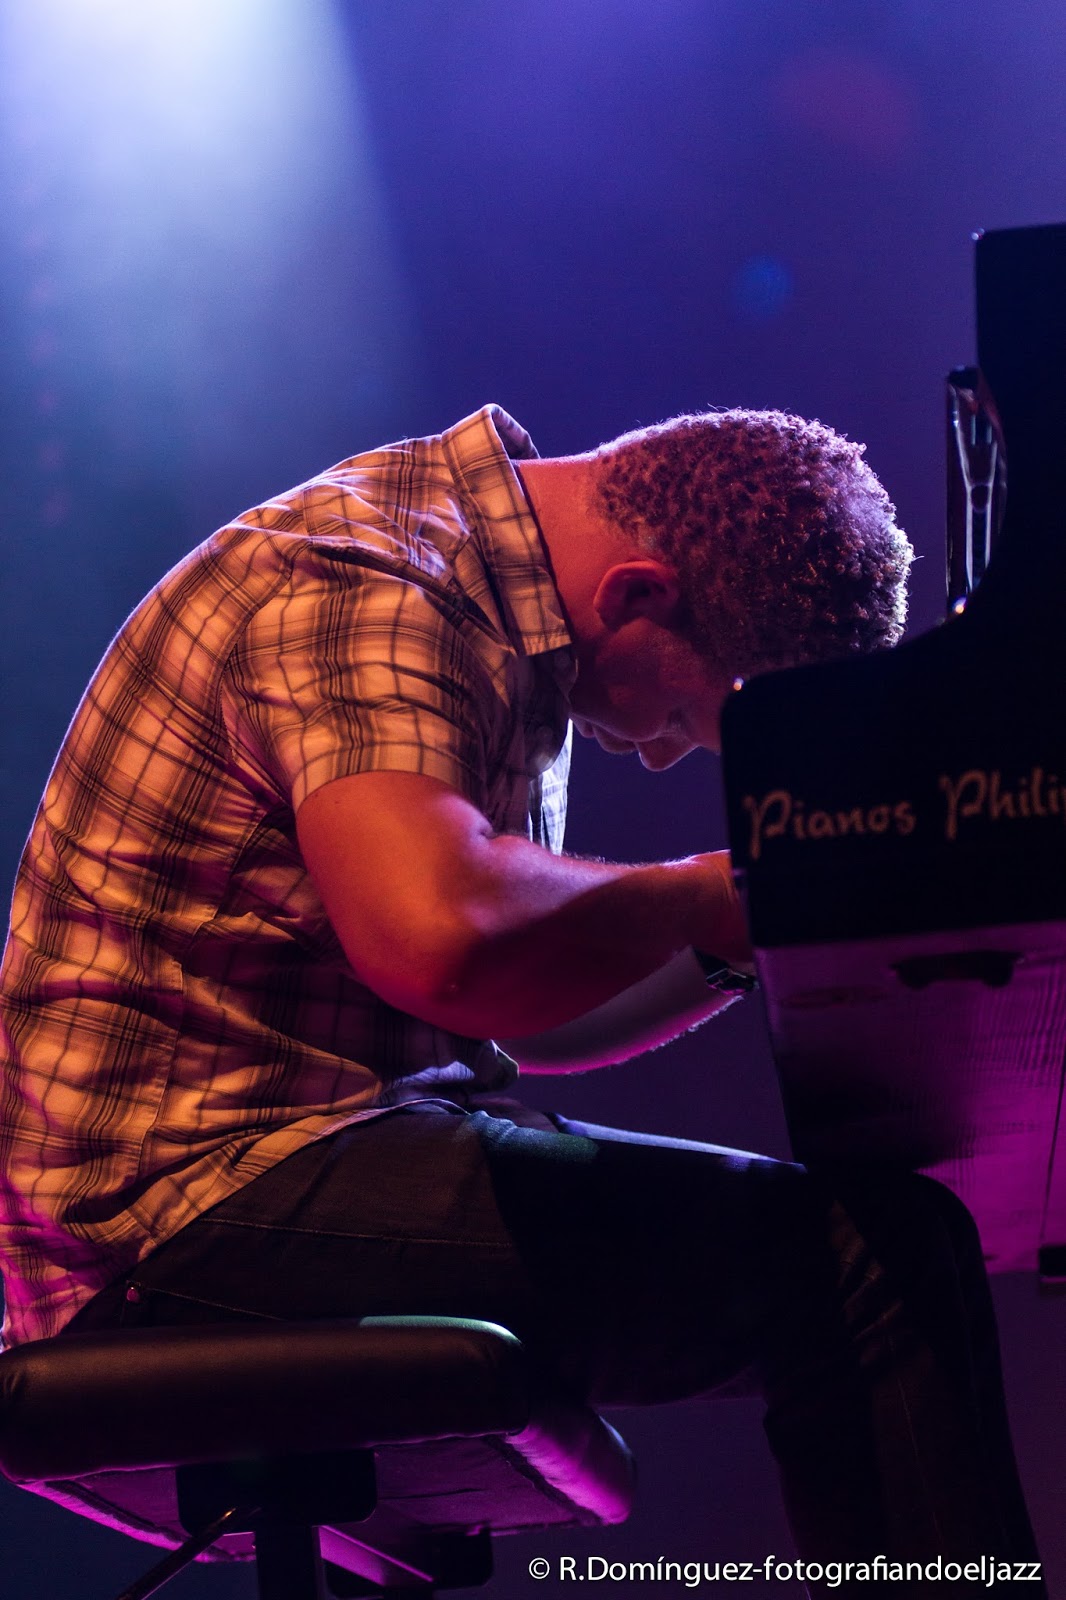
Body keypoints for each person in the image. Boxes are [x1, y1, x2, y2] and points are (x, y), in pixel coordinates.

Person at [0, 404, 1043, 1592]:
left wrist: (740, 942)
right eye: (691, 715)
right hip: (176, 1202)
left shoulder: (492, 624)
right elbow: (438, 939)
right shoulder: (365, 581)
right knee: (873, 1263)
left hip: (284, 1162)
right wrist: (703, 893)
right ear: (637, 595)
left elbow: (515, 1016)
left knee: (872, 1242)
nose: (661, 752)